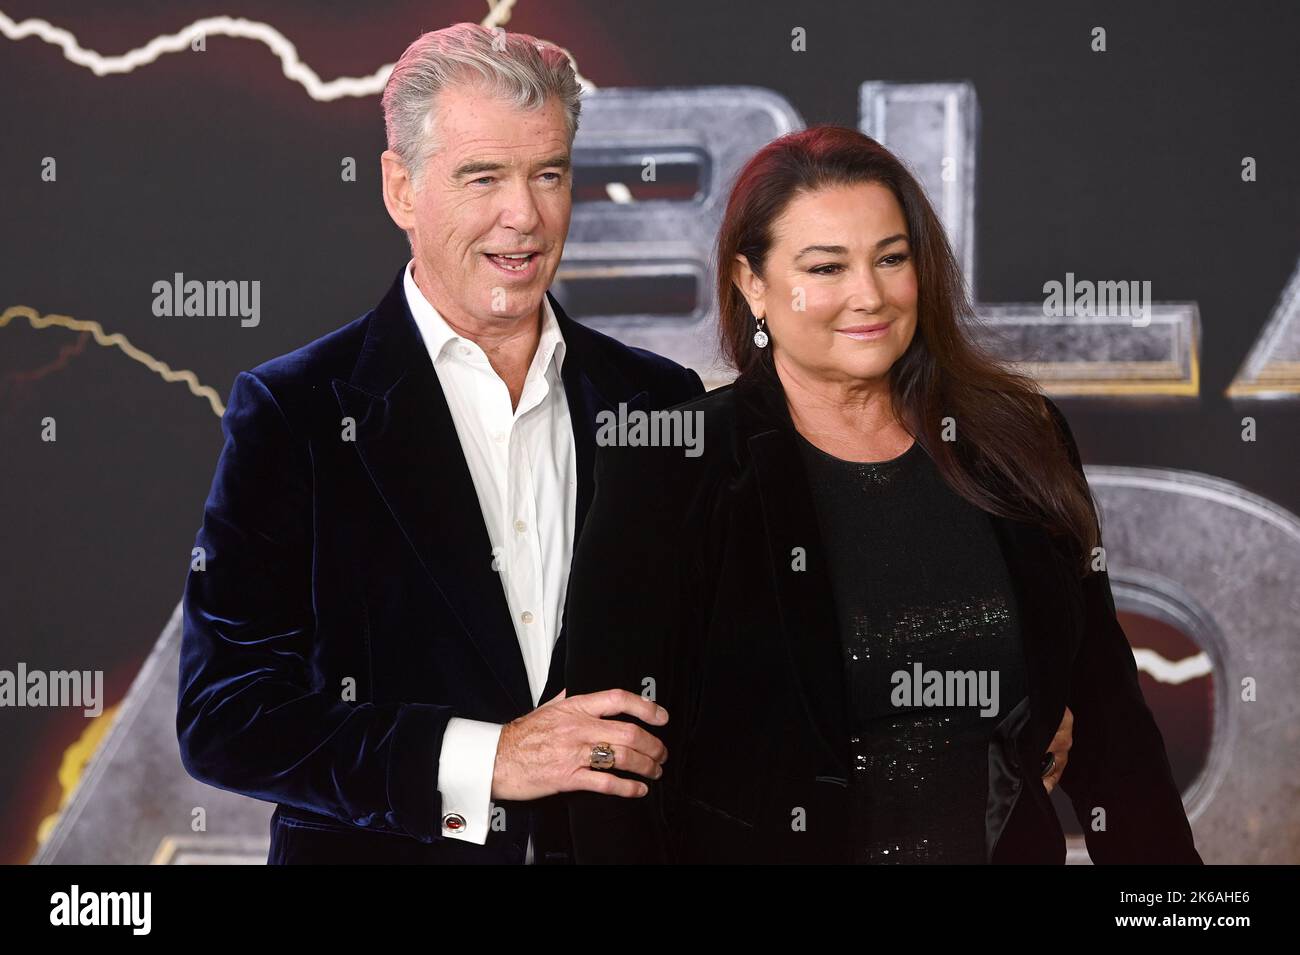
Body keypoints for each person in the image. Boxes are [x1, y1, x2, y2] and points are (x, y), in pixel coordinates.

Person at [565, 125, 1201, 864]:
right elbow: (608, 767)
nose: (868, 295)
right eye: (826, 267)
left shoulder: (1015, 436)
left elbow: (1112, 729)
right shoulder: (675, 462)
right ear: (752, 283)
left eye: (891, 259)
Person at [176, 22, 698, 865]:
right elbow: (228, 716)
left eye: (548, 175)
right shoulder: (296, 410)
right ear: (401, 188)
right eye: (482, 176)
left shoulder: (658, 399)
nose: (522, 216)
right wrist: (490, 758)